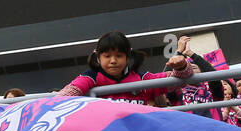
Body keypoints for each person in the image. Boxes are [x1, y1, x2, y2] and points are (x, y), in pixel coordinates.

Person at [57, 31, 193, 106]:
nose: (113, 61)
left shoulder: (142, 78)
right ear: (98, 57)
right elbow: (68, 93)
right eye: (107, 56)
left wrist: (181, 66)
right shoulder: (91, 77)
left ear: (128, 57)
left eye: (119, 55)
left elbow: (179, 79)